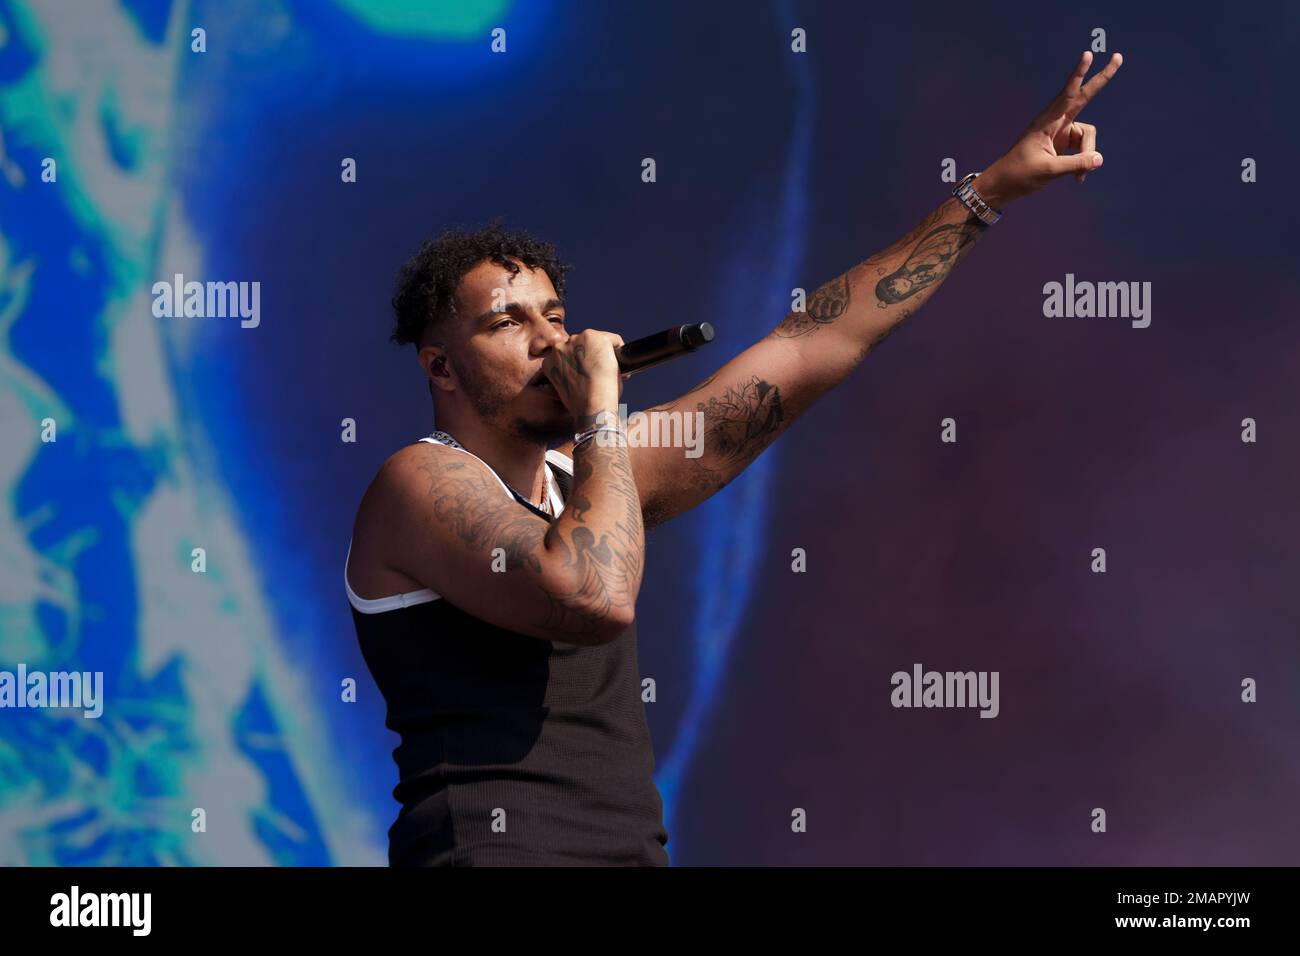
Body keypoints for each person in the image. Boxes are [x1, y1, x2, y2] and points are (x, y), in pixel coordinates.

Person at [345, 50, 1123, 866]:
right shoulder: (418, 482)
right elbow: (592, 594)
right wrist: (603, 416)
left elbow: (815, 340)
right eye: (509, 324)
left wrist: (988, 191)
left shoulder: (593, 475)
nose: (553, 341)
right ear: (440, 367)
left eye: (558, 315)